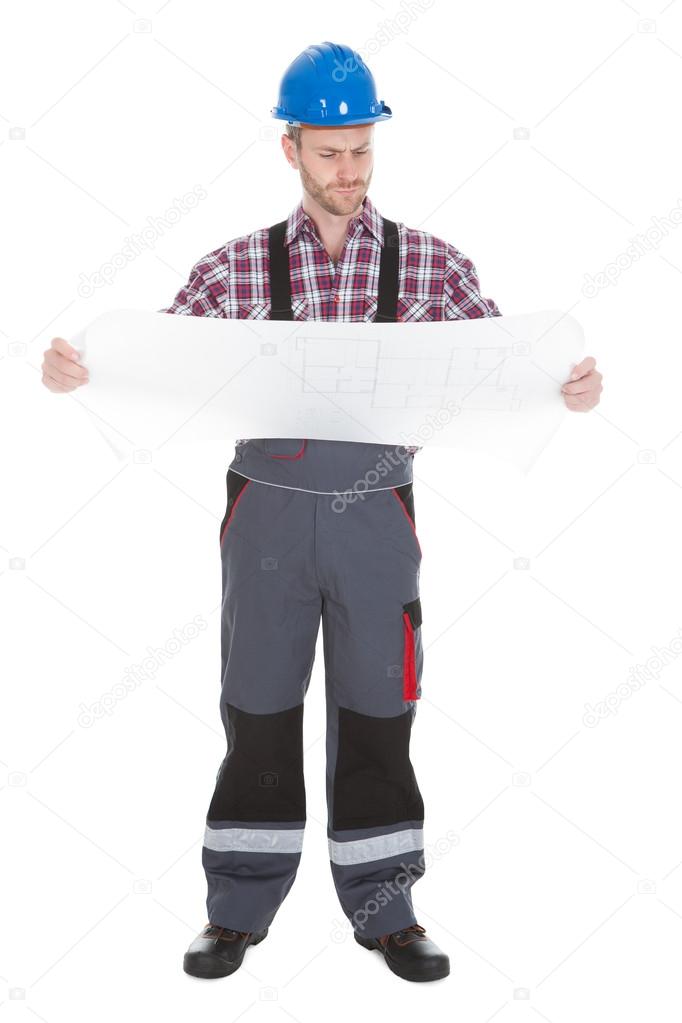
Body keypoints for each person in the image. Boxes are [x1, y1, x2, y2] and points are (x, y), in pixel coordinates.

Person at [42, 40, 603, 984]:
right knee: (258, 704)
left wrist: (569, 388)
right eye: (329, 152)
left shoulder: (431, 268)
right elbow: (163, 369)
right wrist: (83, 372)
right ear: (289, 149)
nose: (349, 170)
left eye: (362, 150)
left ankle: (387, 911)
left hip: (377, 521)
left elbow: (506, 370)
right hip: (263, 519)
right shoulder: (234, 271)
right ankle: (237, 909)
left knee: (380, 706)